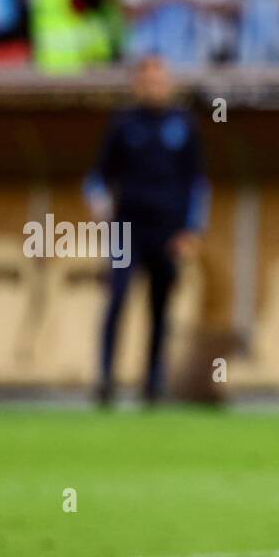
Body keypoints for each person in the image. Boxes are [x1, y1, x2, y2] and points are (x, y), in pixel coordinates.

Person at [87, 56, 207, 405]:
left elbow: (197, 184)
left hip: (168, 232)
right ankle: (106, 380)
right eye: (149, 80)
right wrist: (101, 216)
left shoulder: (184, 125)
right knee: (118, 300)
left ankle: (152, 385)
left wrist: (191, 231)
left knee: (160, 307)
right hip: (127, 229)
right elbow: (98, 180)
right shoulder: (123, 124)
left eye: (162, 80)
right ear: (138, 85)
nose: (156, 86)